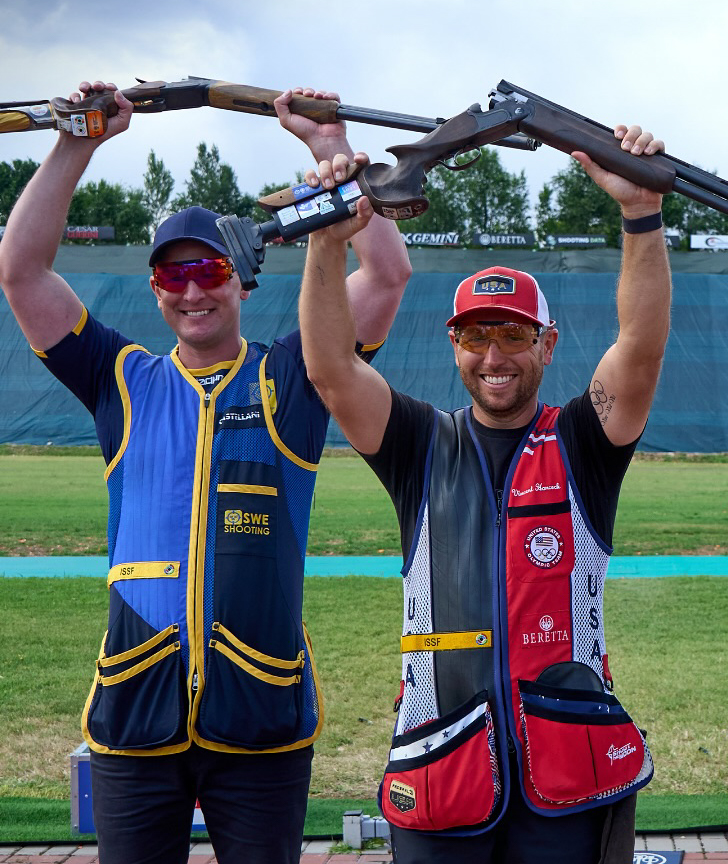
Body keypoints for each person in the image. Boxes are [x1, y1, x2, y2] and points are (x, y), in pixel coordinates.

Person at [0, 81, 411, 864]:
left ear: (243, 280)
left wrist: (329, 147)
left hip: (260, 714)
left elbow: (386, 277)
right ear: (155, 292)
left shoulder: (297, 374)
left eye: (210, 269)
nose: (192, 289)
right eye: (172, 275)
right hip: (135, 707)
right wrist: (76, 143)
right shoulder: (122, 379)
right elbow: (21, 271)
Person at [296, 125, 671, 863]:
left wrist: (641, 214)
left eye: (512, 334)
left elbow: (642, 344)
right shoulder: (419, 442)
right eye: (475, 337)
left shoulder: (582, 443)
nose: (494, 356)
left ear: (547, 344)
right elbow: (331, 371)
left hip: (567, 768)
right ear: (454, 346)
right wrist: (326, 240)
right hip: (441, 769)